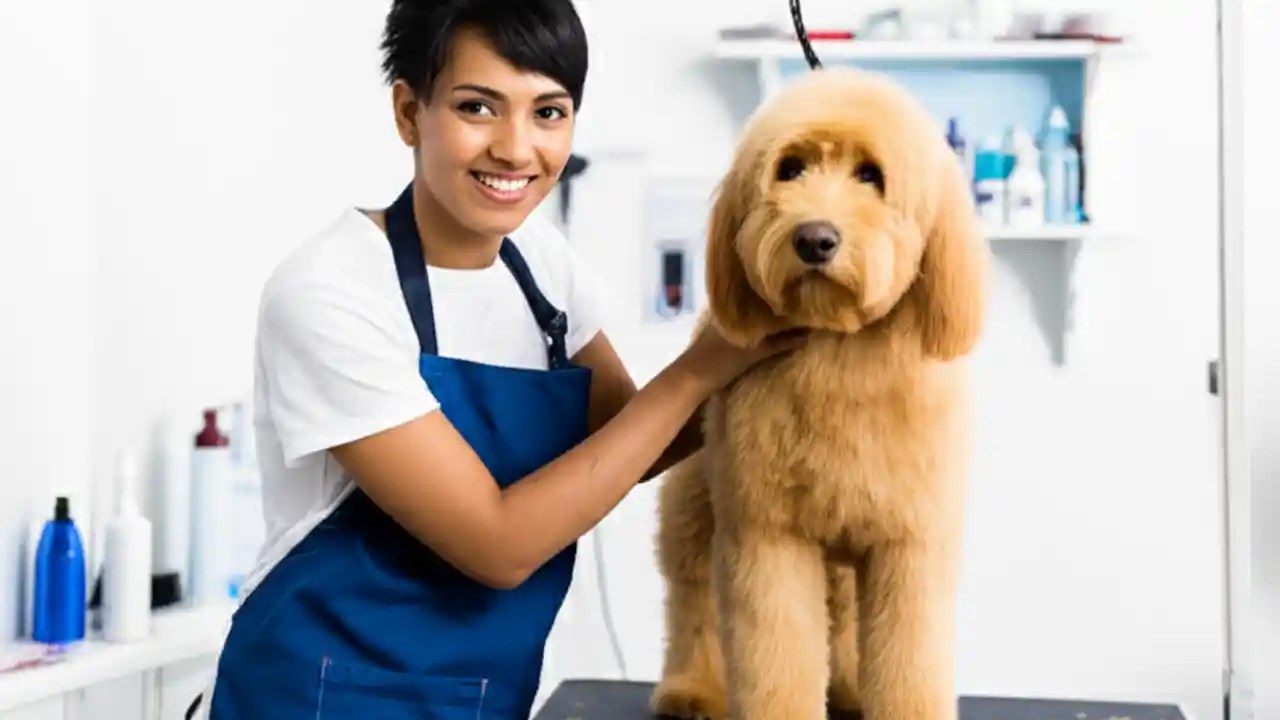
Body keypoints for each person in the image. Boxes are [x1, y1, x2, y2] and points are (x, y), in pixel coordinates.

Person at [196, 1, 804, 718]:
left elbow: (634, 436)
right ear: (409, 112)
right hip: (314, 700)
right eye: (478, 107)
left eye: (548, 113)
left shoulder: (538, 262)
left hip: (478, 699)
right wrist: (703, 365)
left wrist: (788, 349)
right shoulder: (332, 291)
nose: (516, 150)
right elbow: (497, 546)